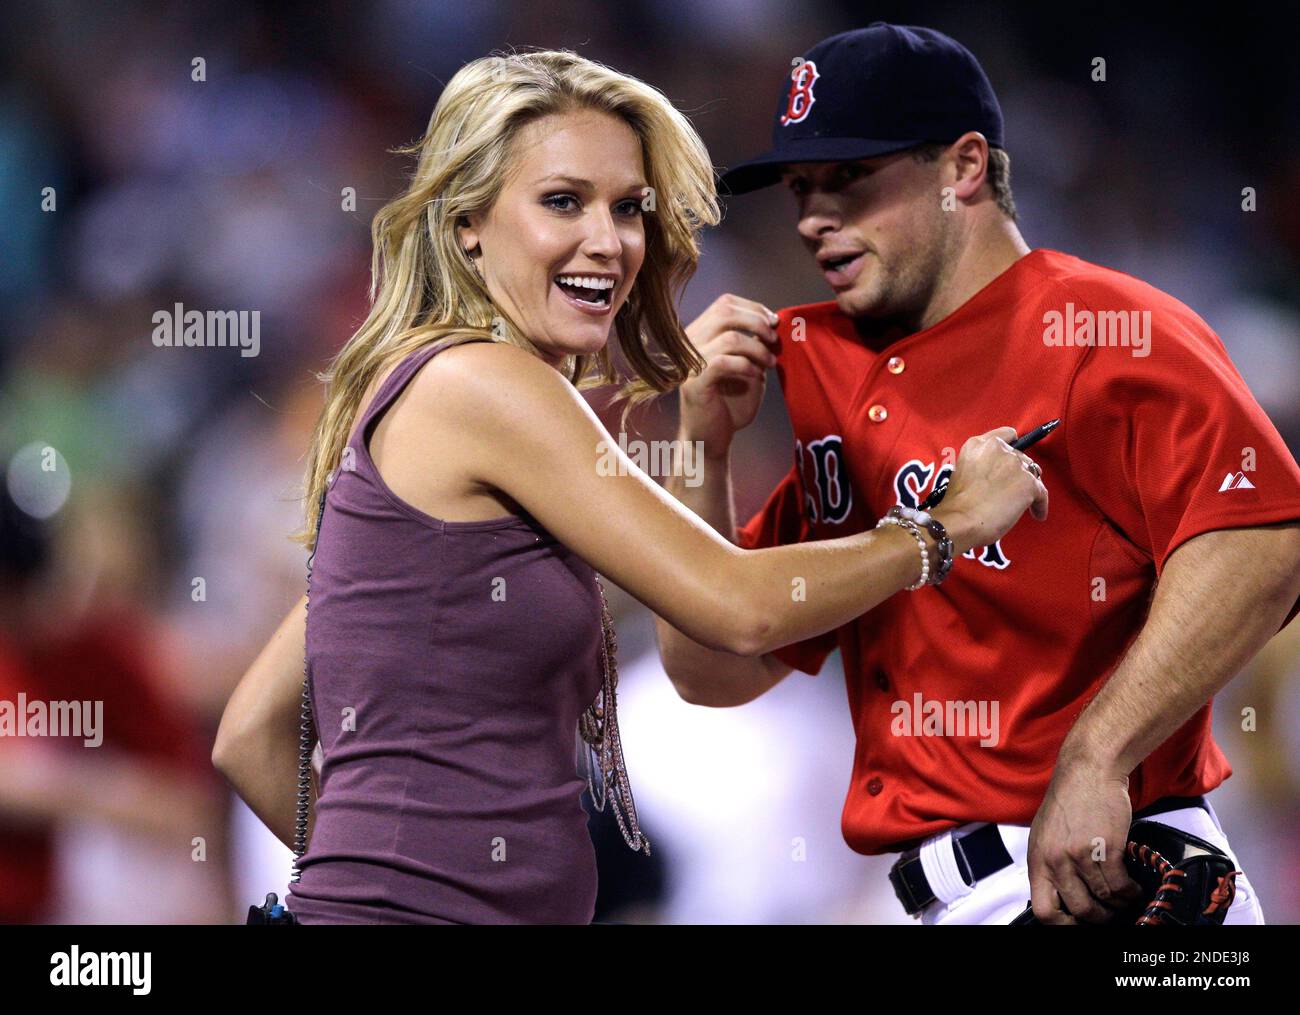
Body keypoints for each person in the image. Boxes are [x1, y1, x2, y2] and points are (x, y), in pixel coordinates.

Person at [211, 48, 1047, 925]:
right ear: (467, 221)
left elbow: (251, 734)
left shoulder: (448, 396)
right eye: (562, 201)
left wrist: (367, 890)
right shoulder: (484, 384)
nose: (607, 241)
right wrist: (939, 529)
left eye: (628, 208)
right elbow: (739, 605)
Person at [655, 23, 1300, 925]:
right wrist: (704, 449)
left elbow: (1263, 539)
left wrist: (1097, 755)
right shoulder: (834, 381)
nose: (812, 217)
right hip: (935, 895)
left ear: (963, 169)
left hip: (1113, 869)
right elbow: (709, 668)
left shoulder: (1105, 327)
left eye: (850, 179)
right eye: (802, 188)